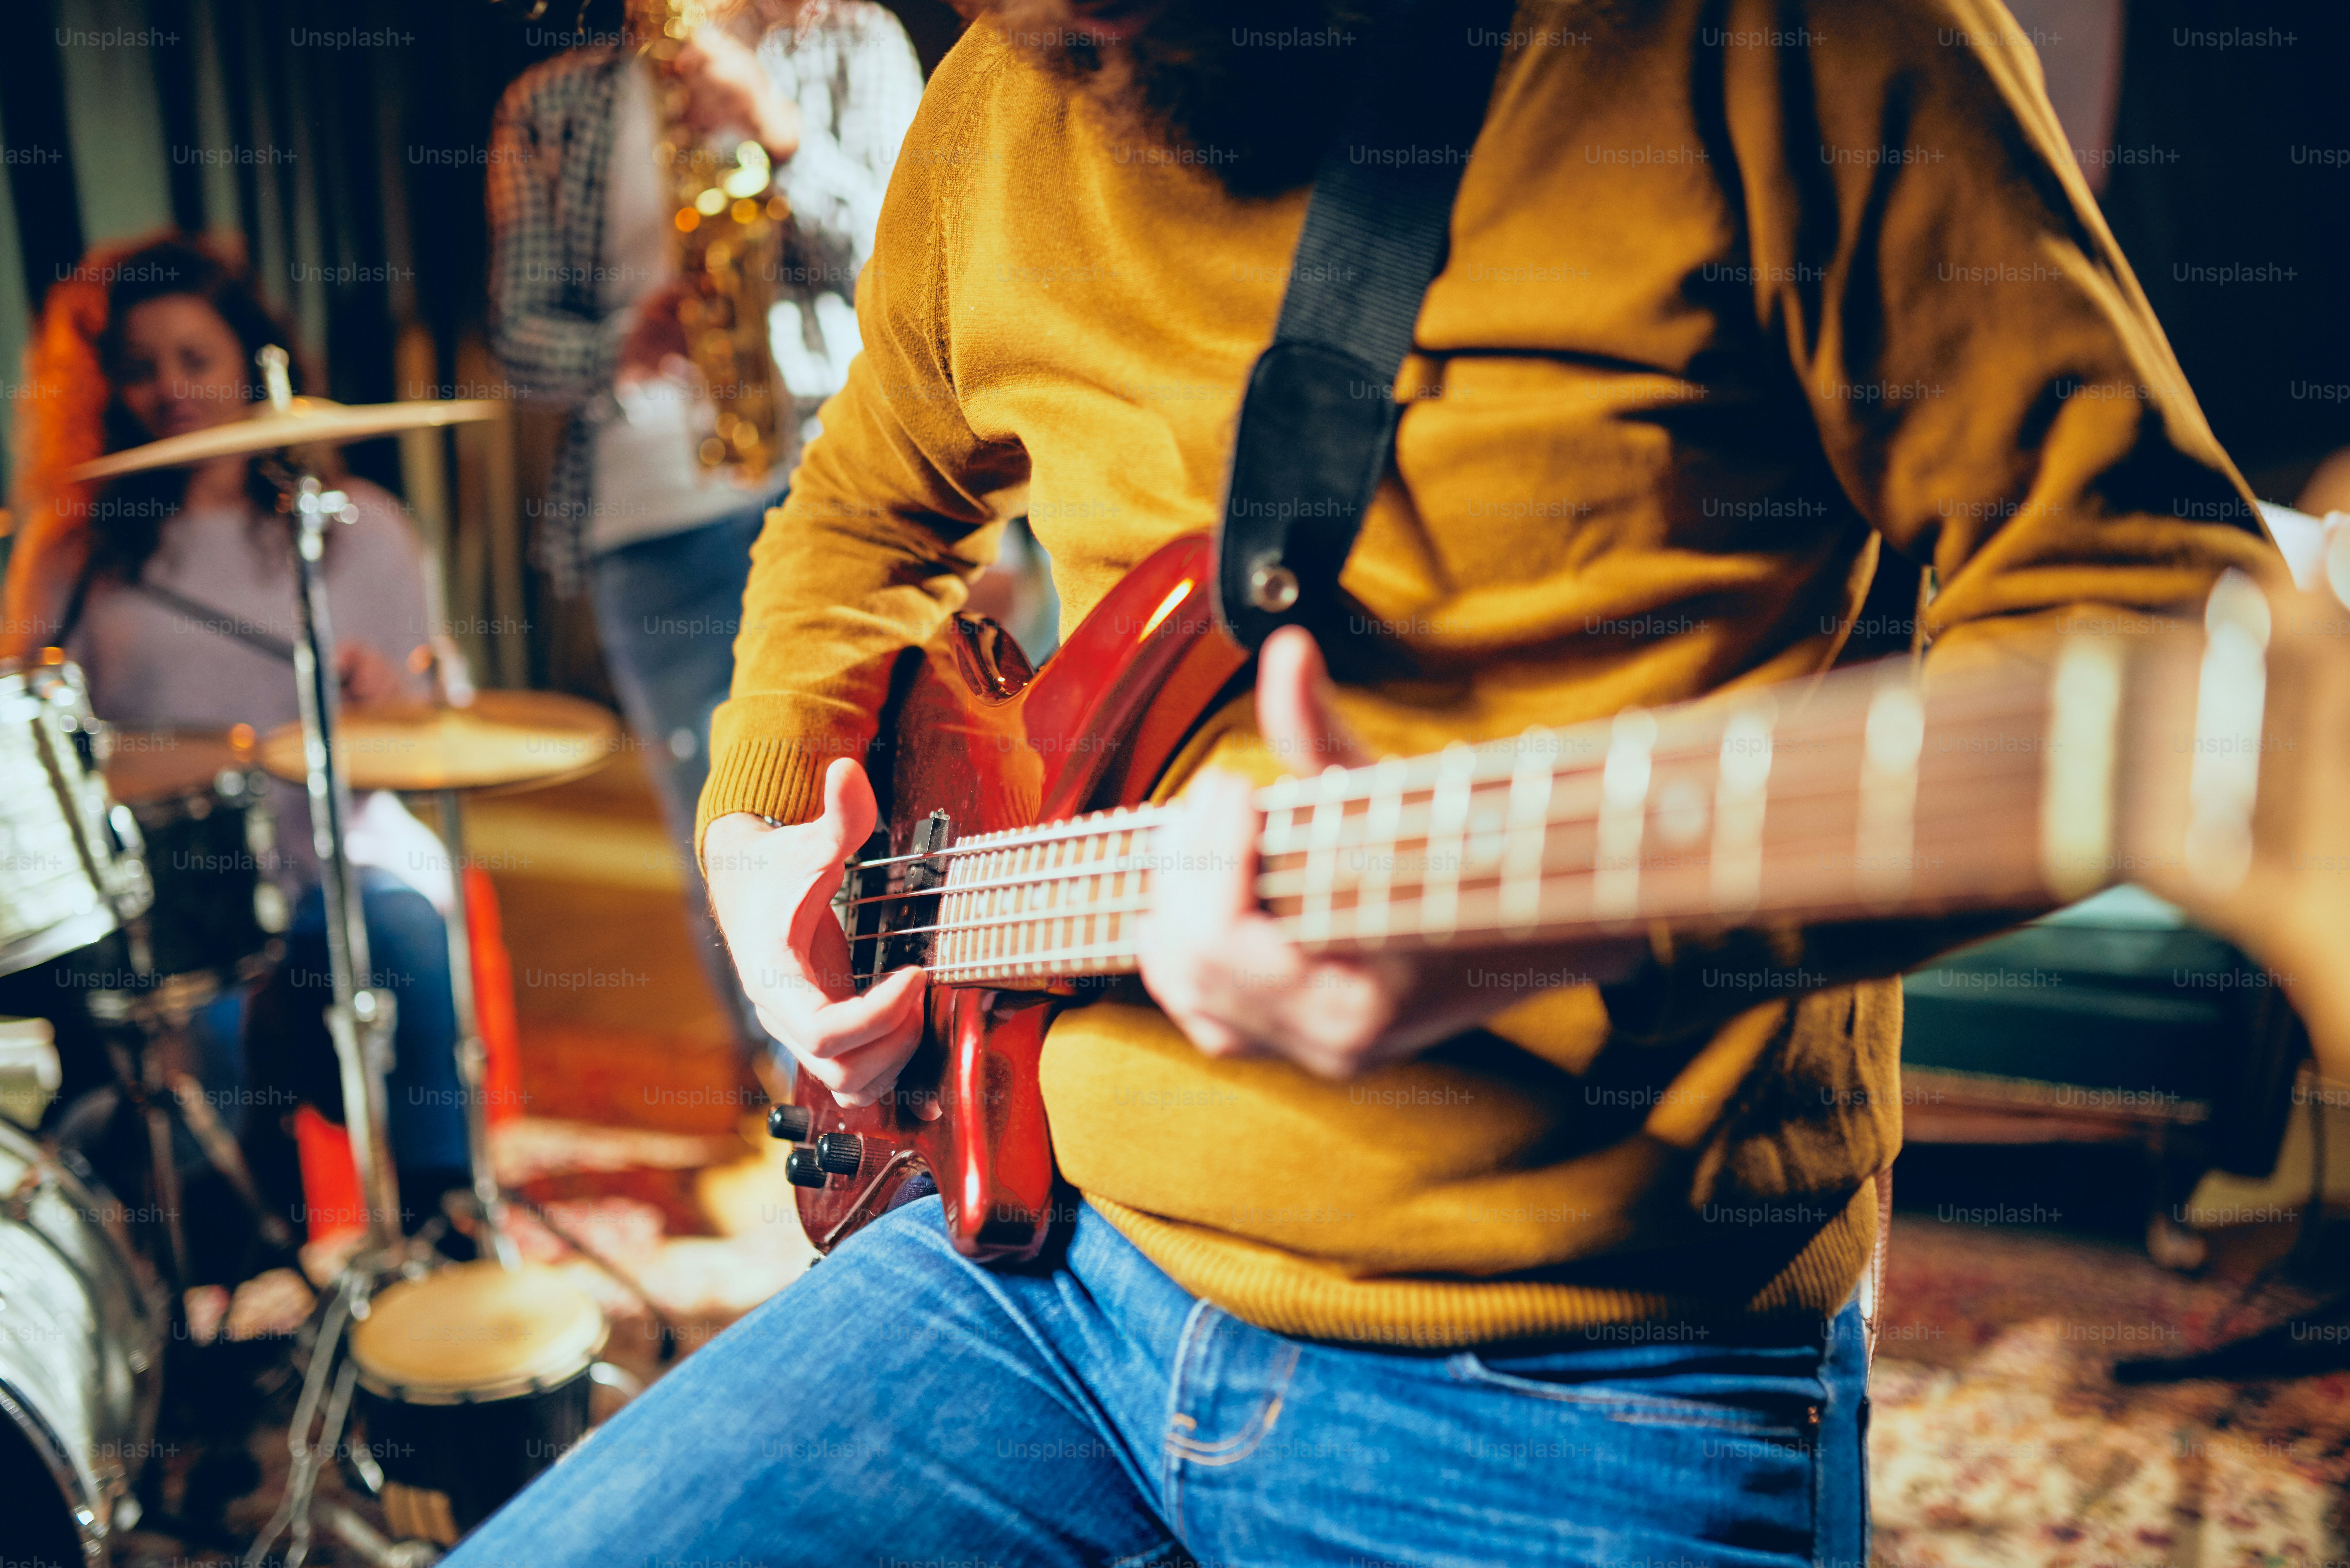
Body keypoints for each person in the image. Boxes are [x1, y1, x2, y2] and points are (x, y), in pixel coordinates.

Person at [447, 2, 2287, 1564]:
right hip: (1045, 1249)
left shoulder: (1791, 48)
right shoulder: (1010, 86)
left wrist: (1540, 932)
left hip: (1593, 1361)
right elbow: (862, 502)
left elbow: (2158, 623)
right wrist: (769, 826)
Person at [4, 234, 473, 1252]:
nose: (170, 388)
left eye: (196, 358)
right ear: (103, 390)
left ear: (257, 365)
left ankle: (449, 1225)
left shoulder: (364, 531)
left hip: (344, 866)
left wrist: (390, 702)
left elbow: (440, 729)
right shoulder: (72, 554)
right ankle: (252, 1293)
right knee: (202, 1027)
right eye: (138, 367)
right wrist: (243, 745)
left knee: (404, 930)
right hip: (169, 906)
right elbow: (41, 764)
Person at [486, 0, 923, 1072]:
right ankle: (806, 1107)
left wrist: (780, 131)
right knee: (730, 830)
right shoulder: (550, 105)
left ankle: (932, 1069)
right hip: (655, 509)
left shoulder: (854, 45)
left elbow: (908, 273)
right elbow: (519, 339)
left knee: (913, 810)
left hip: (846, 481)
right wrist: (616, 346)